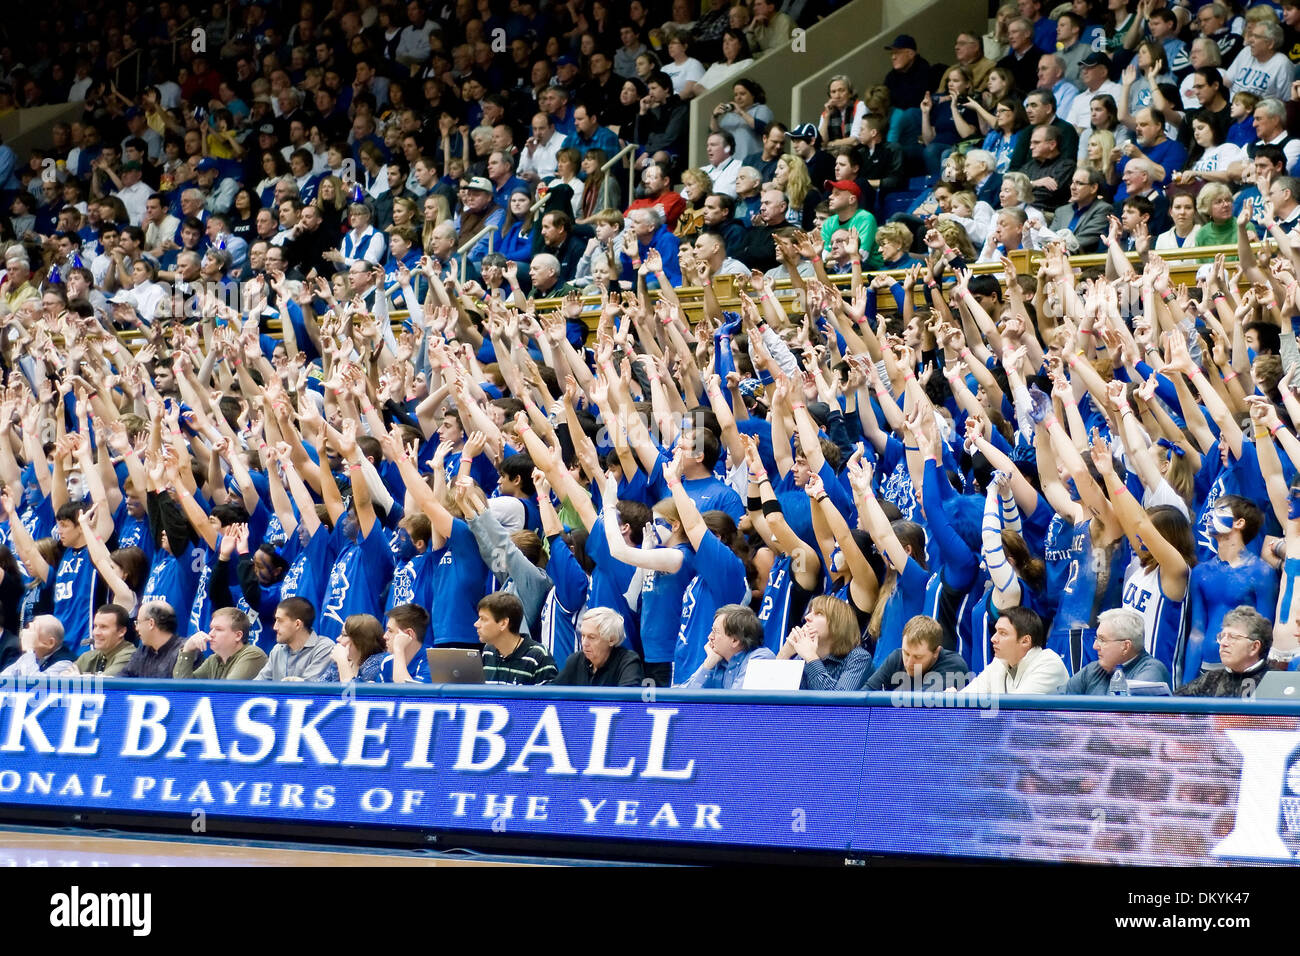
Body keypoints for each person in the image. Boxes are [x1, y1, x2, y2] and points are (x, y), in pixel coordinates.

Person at [952, 607, 1068, 696]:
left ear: (1025, 641)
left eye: (1003, 633)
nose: (993, 639)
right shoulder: (1000, 662)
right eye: (996, 631)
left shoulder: (1049, 664)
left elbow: (1016, 713)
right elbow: (968, 699)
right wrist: (953, 698)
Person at [1059, 607, 1173, 694]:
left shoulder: (1151, 671)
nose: (1095, 646)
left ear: (1125, 646)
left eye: (1102, 640)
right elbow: (1056, 702)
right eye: (1096, 638)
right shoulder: (1093, 670)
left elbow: (1122, 718)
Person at [778, 596, 874, 690]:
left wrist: (811, 658)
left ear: (838, 624)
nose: (807, 617)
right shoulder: (802, 657)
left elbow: (839, 702)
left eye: (819, 613)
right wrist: (784, 654)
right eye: (809, 612)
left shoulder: (859, 658)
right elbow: (771, 694)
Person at [1175, 607, 1272, 698]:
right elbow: (1172, 706)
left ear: (1254, 647)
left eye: (1232, 637)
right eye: (1222, 637)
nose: (1223, 643)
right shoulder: (1210, 679)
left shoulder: (1275, 681)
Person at [864, 615, 974, 692]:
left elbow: (918, 709)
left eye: (918, 657)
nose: (909, 662)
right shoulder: (897, 657)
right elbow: (864, 695)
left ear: (936, 652)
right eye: (906, 653)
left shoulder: (954, 666)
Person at [680, 603, 775, 688]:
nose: (710, 637)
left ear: (735, 640)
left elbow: (737, 703)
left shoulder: (761, 658)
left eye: (715, 631)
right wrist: (707, 665)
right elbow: (683, 699)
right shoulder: (717, 658)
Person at [475, 592, 558, 685]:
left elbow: (548, 698)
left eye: (483, 619)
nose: (476, 624)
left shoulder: (539, 656)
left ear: (503, 623)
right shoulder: (488, 651)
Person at [554, 607, 644, 686]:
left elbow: (627, 701)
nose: (584, 643)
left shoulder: (628, 662)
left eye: (591, 637)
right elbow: (553, 695)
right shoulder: (575, 660)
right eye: (582, 635)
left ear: (612, 639)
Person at [173, 606, 268, 679]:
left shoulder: (253, 655)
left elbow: (226, 693)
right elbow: (182, 688)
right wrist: (187, 650)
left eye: (218, 629)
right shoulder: (214, 659)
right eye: (211, 629)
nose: (211, 634)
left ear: (238, 635)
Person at [254, 596, 335, 681]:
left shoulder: (324, 648)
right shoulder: (277, 650)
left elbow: (309, 689)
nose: (275, 627)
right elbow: (257, 686)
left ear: (297, 624)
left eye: (280, 621)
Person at [120, 601, 184, 678]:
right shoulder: (143, 651)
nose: (136, 628)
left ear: (151, 623)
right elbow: (123, 677)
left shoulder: (185, 651)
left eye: (138, 622)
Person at [0, 615, 78, 678]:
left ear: (50, 643)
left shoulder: (65, 663)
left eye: (32, 631)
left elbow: (36, 686)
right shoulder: (34, 655)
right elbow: (4, 678)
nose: (25, 633)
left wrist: (29, 650)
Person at [75, 604, 135, 676]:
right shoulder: (89, 657)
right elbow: (63, 678)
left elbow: (105, 683)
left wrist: (76, 677)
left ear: (121, 632)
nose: (96, 632)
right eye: (95, 626)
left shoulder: (130, 655)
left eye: (103, 627)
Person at [379, 603, 432, 682]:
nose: (385, 636)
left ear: (409, 634)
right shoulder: (387, 661)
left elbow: (408, 692)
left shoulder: (433, 661)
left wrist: (399, 649)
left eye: (390, 631)